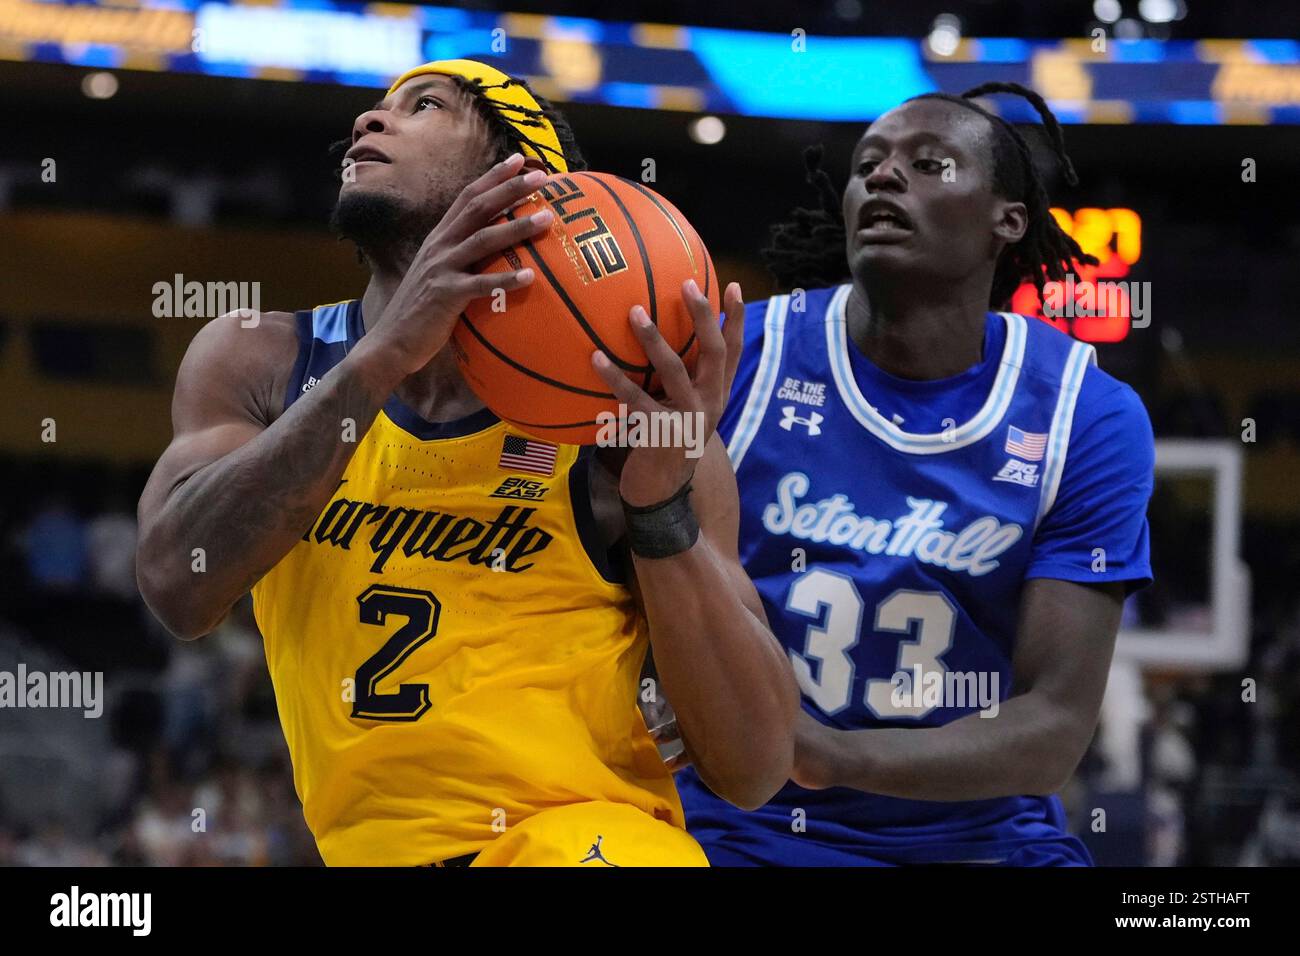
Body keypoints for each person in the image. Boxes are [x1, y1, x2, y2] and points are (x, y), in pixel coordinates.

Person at [136, 59, 797, 866]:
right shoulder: (261, 359)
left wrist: (661, 512)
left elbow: (755, 767)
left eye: (424, 107)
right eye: (375, 109)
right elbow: (180, 586)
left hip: (582, 841)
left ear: (521, 182)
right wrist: (379, 362)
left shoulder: (623, 415)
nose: (367, 123)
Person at [676, 83, 1155, 866]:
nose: (884, 177)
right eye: (868, 165)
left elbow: (1053, 731)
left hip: (983, 841)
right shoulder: (742, 359)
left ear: (1010, 220)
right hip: (740, 829)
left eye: (930, 164)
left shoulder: (1086, 414)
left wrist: (821, 754)